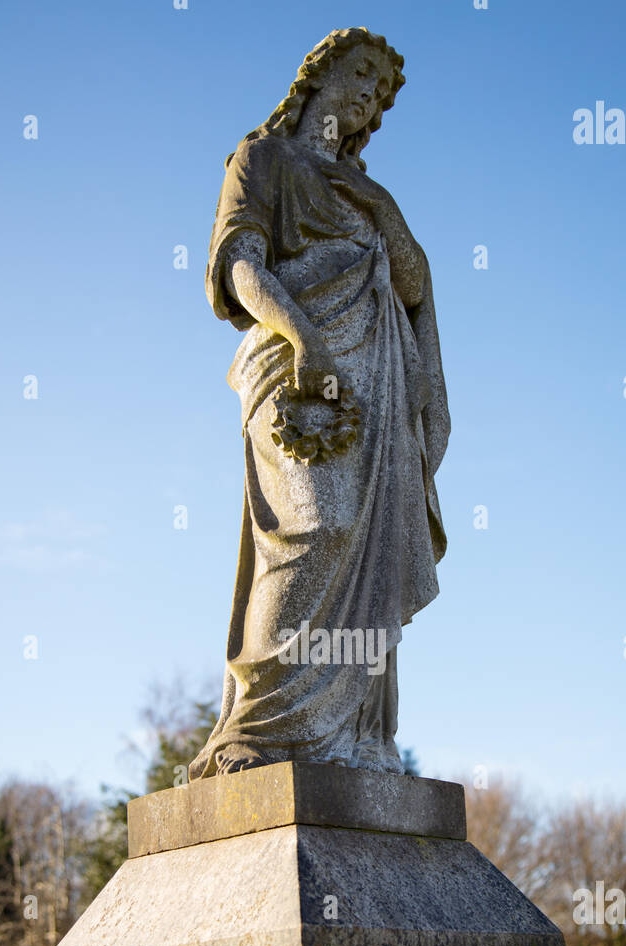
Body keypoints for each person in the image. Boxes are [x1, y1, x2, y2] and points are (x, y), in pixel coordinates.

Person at [190, 27, 450, 779]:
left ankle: (352, 743)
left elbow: (411, 286)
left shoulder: (370, 196)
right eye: (359, 74)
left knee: (371, 548)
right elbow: (239, 264)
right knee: (314, 525)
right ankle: (260, 730)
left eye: (381, 92)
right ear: (317, 76)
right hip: (297, 367)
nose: (369, 94)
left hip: (376, 379)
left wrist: (386, 215)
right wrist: (304, 336)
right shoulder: (262, 160)